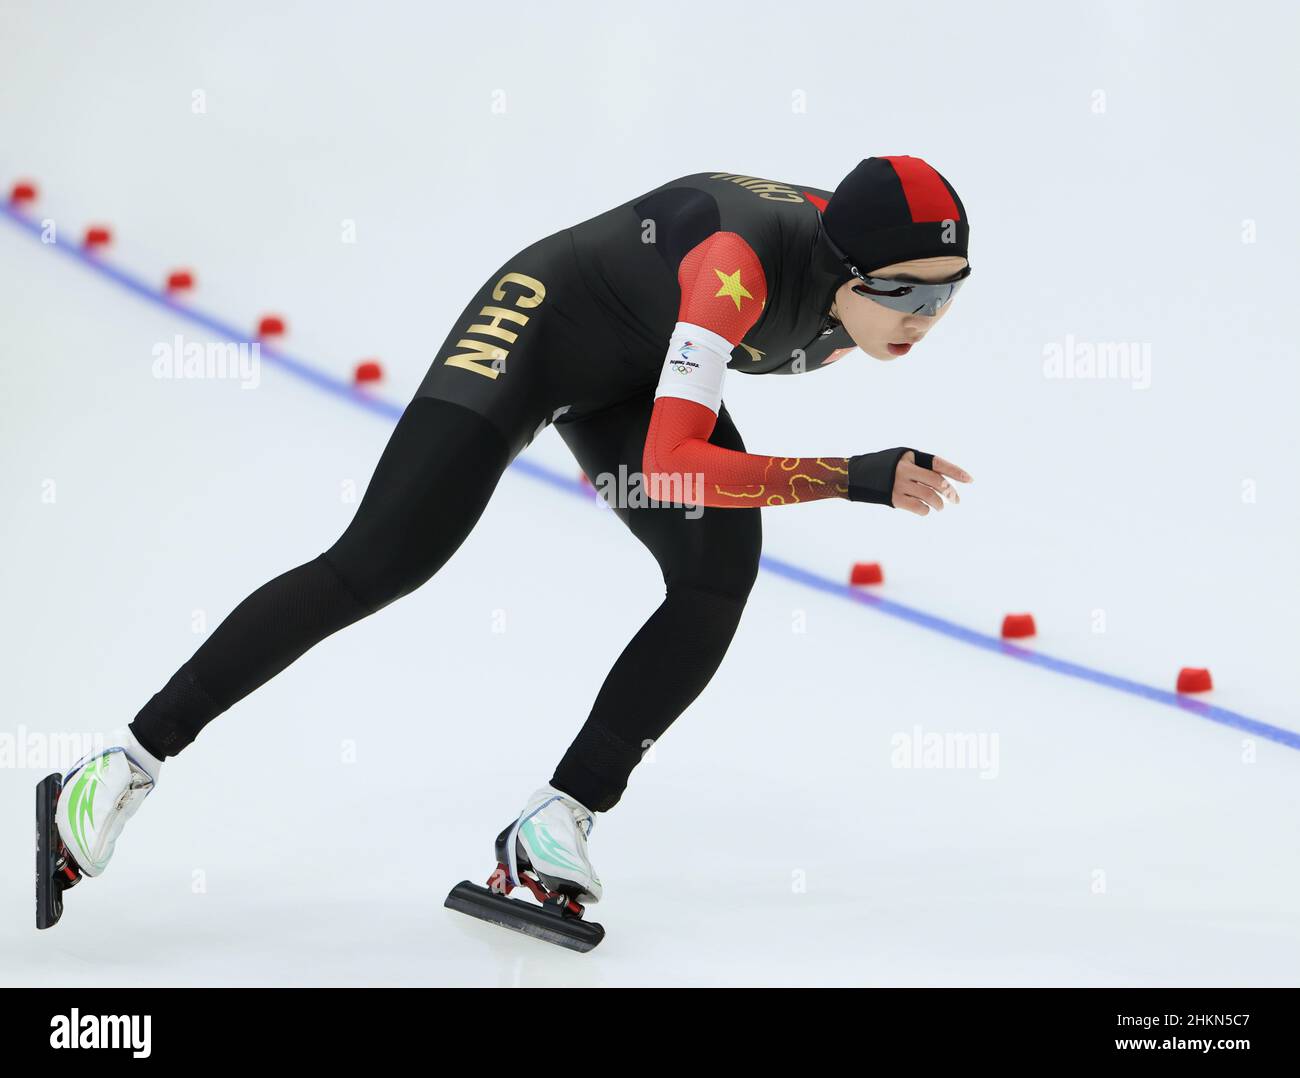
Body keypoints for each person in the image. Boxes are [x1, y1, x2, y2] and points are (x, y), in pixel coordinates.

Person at [52, 155, 974, 912]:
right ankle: (119, 767)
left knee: (715, 573)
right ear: (844, 269)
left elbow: (673, 441)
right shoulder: (737, 270)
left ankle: (555, 823)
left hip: (639, 368)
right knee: (379, 563)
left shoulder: (861, 282)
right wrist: (844, 478)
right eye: (901, 295)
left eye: (945, 297)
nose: (920, 322)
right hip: (539, 330)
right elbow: (673, 467)